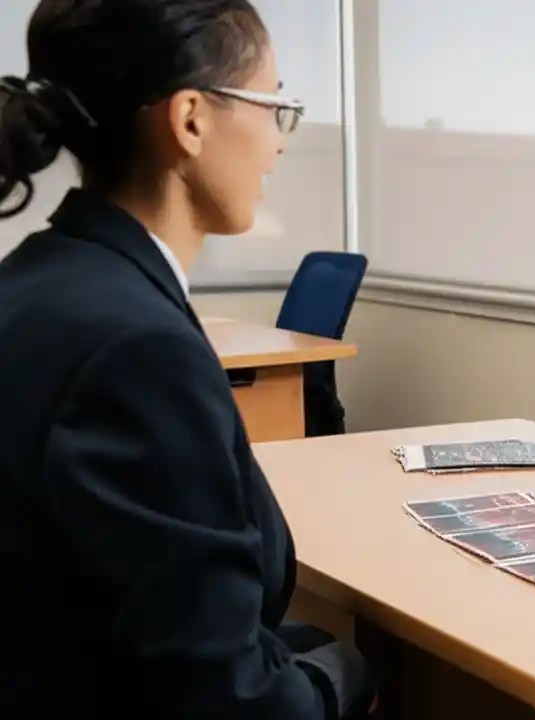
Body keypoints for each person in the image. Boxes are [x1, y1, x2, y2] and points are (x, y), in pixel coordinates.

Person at [0, 1, 375, 717]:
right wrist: (353, 674)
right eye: (274, 105)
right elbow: (229, 702)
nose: (280, 142)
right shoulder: (136, 348)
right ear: (192, 119)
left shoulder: (42, 278)